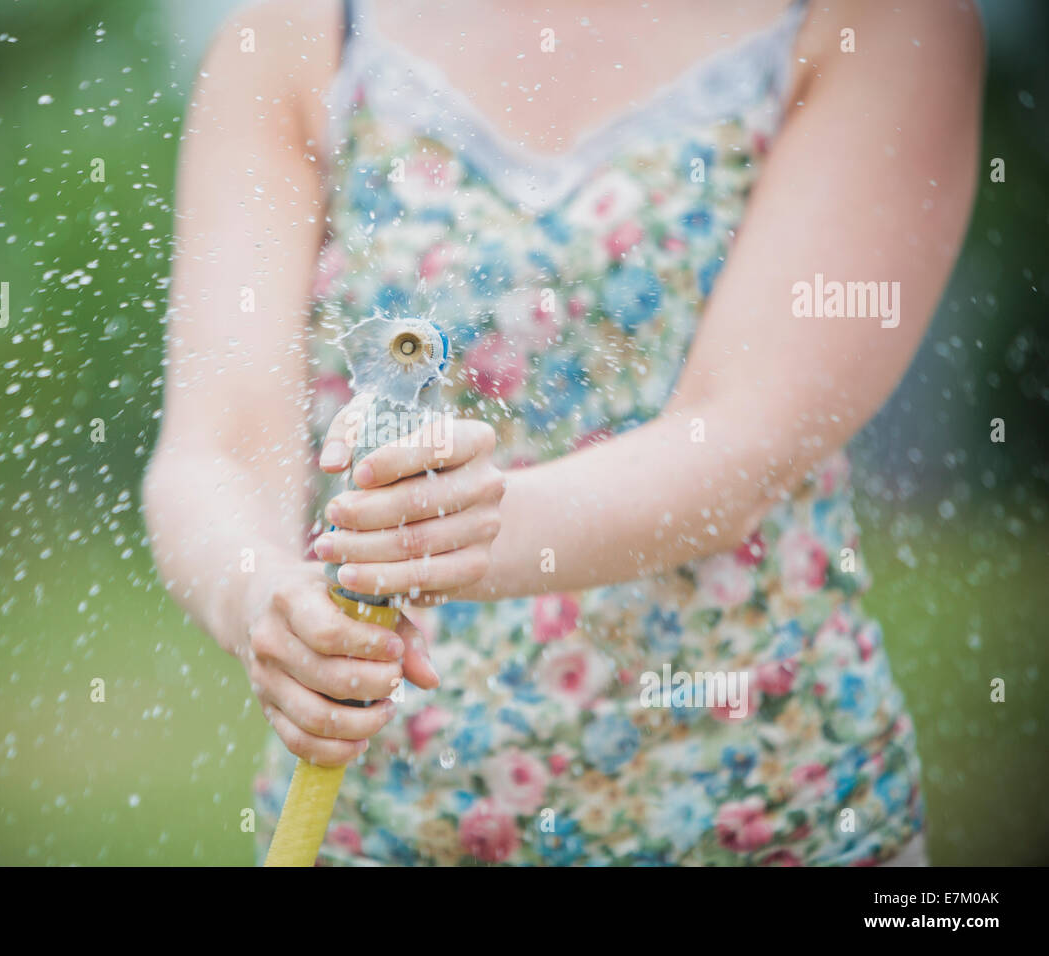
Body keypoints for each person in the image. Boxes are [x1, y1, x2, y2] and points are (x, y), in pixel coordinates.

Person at [144, 0, 983, 865]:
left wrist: (458, 530)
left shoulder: (879, 23)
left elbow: (736, 446)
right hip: (385, 826)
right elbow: (218, 449)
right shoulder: (300, 31)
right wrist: (261, 599)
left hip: (761, 815)